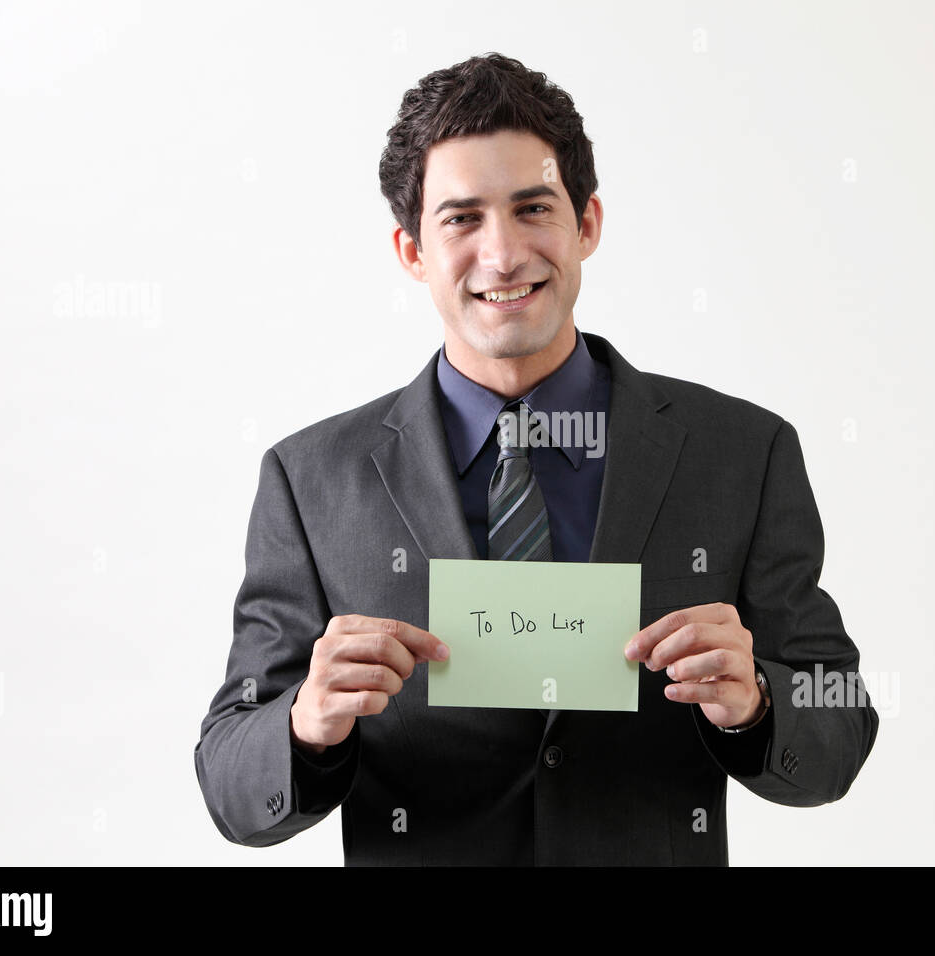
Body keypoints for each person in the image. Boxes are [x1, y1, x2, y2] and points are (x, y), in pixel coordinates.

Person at [194, 52, 878, 865]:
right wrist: (305, 724)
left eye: (532, 209)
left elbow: (839, 724)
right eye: (461, 219)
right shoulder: (310, 480)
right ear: (412, 250)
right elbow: (231, 774)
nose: (504, 254)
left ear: (586, 224)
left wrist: (759, 703)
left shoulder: (741, 452)